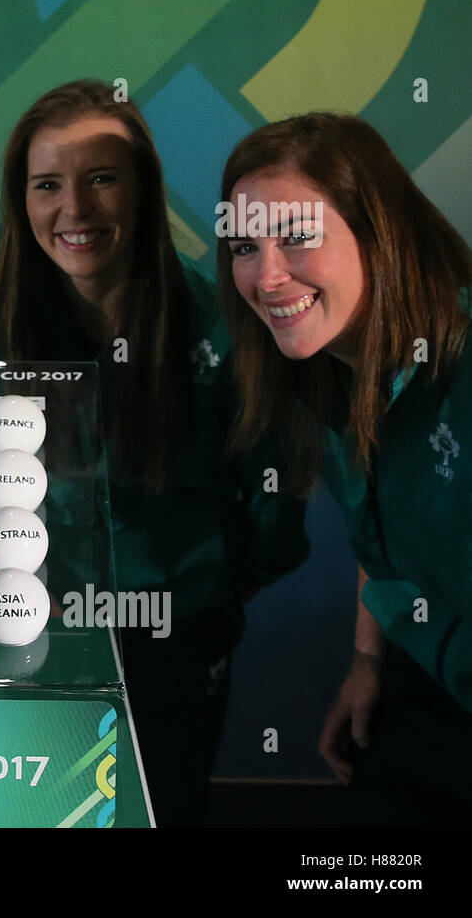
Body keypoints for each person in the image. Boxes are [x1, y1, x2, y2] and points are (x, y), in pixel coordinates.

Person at [0, 79, 307, 826]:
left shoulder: (222, 321)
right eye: (47, 184)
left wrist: (198, 592)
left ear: (144, 192)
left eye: (100, 179)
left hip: (175, 641)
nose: (74, 210)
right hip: (25, 635)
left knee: (160, 810)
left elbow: (274, 500)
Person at [218, 112, 472, 825]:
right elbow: (380, 535)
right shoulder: (323, 376)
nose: (267, 276)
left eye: (297, 236)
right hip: (420, 689)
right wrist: (367, 662)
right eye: (244, 245)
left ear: (378, 229)